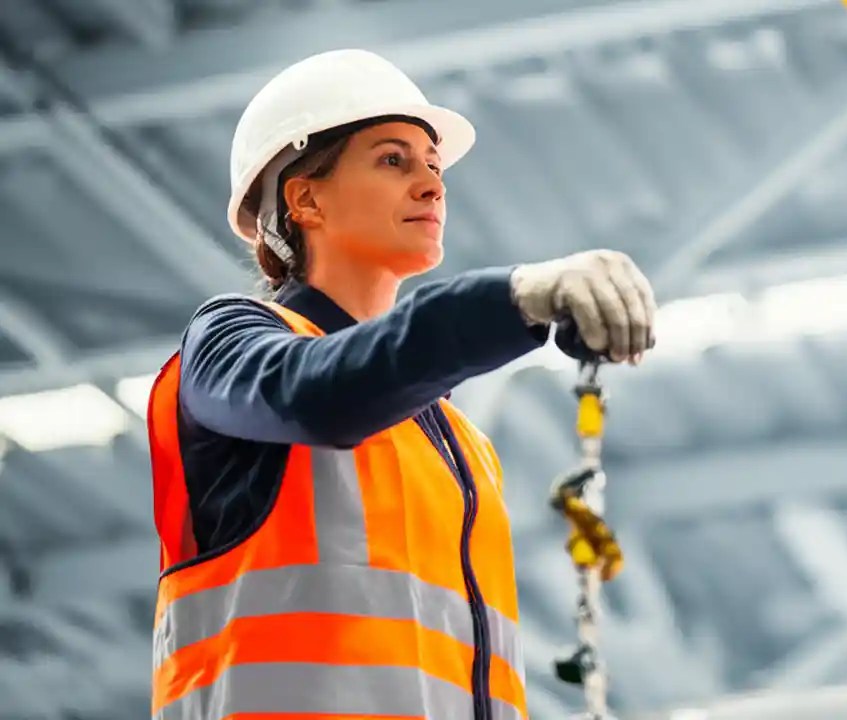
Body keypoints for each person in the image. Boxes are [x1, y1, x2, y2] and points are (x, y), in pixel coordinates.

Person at [145, 48, 657, 720]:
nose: (432, 186)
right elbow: (321, 395)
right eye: (394, 160)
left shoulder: (460, 444)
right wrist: (515, 299)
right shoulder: (228, 344)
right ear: (305, 198)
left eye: (434, 166)